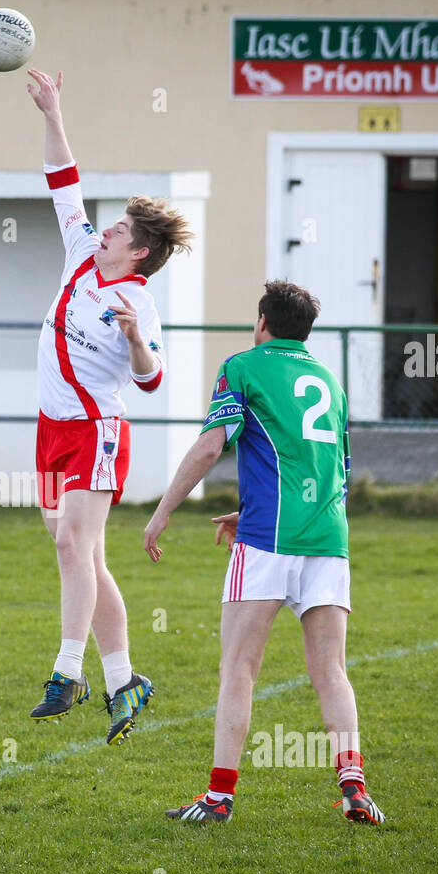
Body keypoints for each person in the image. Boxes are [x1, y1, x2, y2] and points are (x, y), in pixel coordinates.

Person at [142, 281, 386, 825]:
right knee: (331, 671)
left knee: (239, 669)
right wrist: (251, 507)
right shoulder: (330, 382)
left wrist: (161, 513)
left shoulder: (243, 367)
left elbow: (211, 445)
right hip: (329, 541)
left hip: (268, 543)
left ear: (261, 322)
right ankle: (355, 788)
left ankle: (219, 798)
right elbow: (332, 473)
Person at [24, 68, 195, 744]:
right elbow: (63, 179)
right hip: (49, 431)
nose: (105, 231)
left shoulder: (139, 303)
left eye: (119, 229)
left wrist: (133, 341)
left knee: (73, 542)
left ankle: (70, 672)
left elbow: (151, 383)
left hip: (97, 431)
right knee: (83, 560)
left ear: (139, 251)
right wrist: (53, 110)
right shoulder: (79, 253)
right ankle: (126, 680)